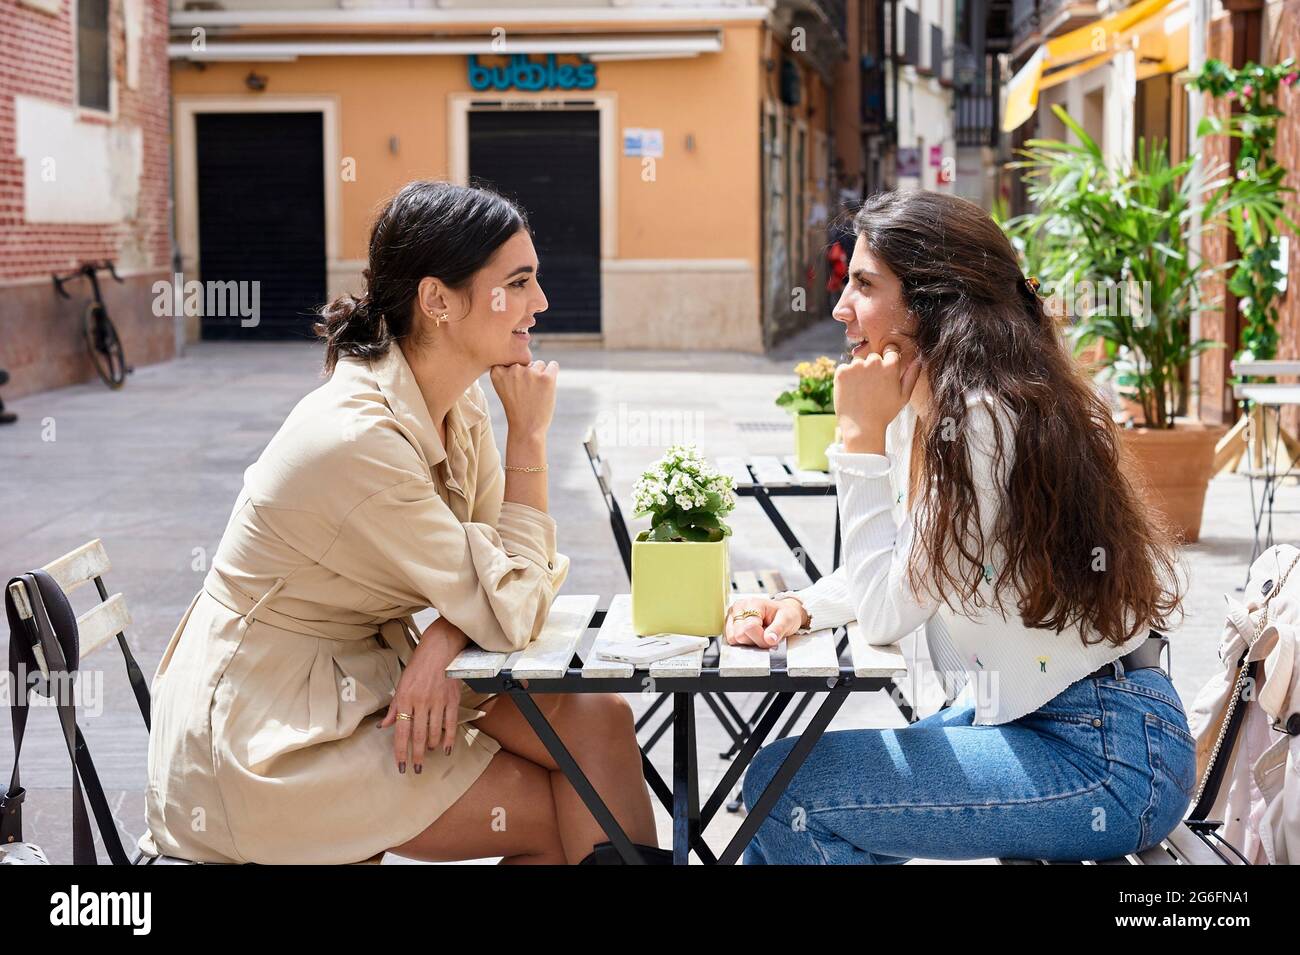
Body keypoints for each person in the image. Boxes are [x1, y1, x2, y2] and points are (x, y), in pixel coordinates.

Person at [139, 180, 658, 865]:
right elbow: (506, 598)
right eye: (519, 282)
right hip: (263, 733)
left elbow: (496, 577)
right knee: (548, 810)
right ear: (438, 300)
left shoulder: (458, 405)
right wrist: (529, 439)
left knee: (601, 722)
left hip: (361, 670)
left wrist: (445, 636)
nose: (541, 303)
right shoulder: (361, 438)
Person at [727, 189, 1197, 864]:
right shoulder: (969, 409)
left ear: (929, 302)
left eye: (863, 284)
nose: (839, 308)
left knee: (786, 789)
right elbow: (909, 565)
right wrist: (804, 604)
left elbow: (889, 612)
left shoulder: (980, 423)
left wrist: (859, 443)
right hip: (1070, 724)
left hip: (1106, 756)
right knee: (801, 784)